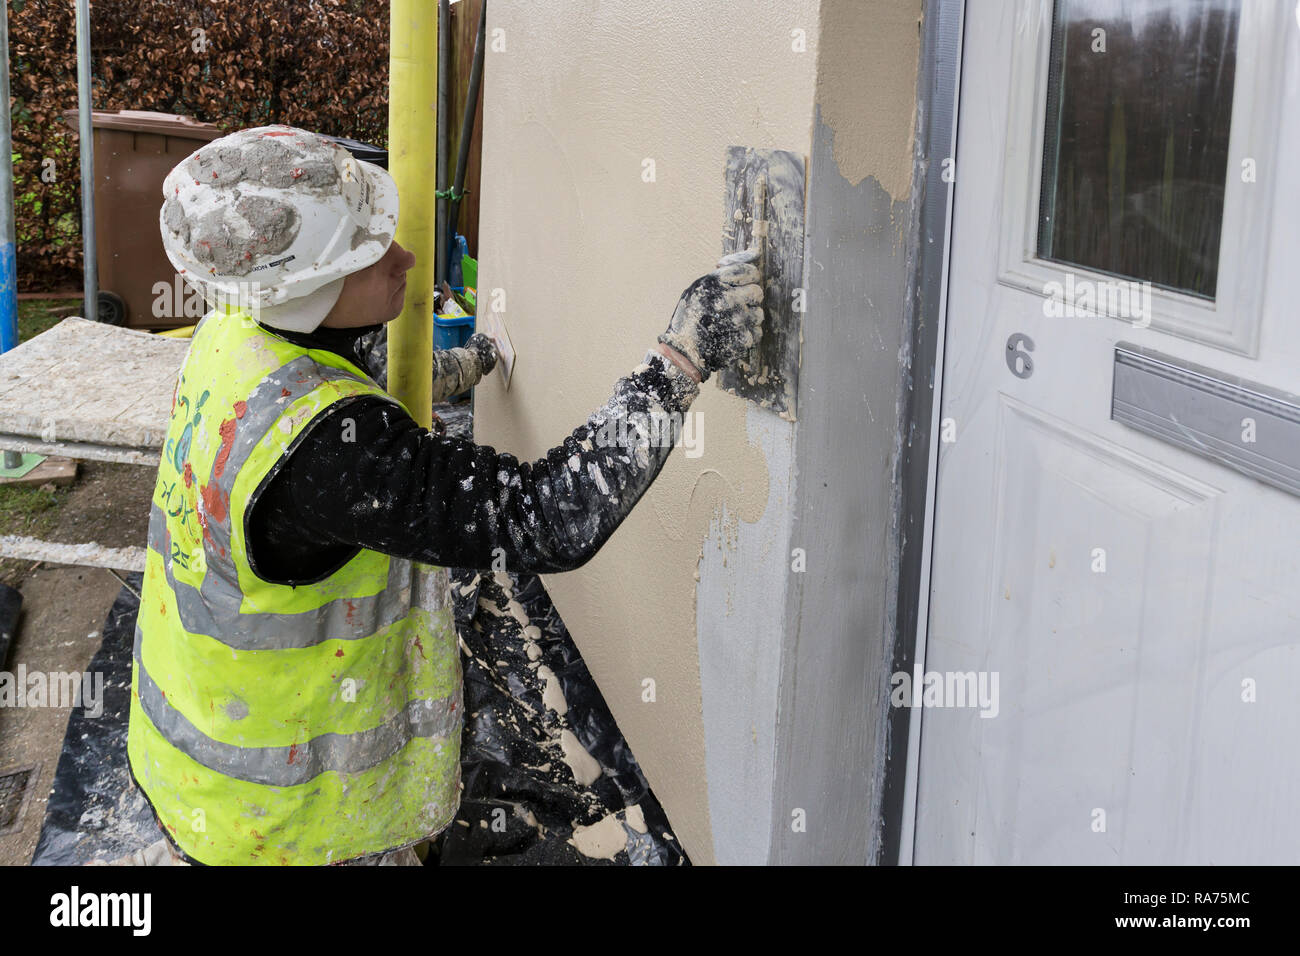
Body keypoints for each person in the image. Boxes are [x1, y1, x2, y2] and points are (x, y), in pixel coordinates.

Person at [125, 125, 763, 865]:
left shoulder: (234, 329)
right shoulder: (330, 453)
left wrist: (469, 363)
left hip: (195, 750)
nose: (405, 259)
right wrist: (679, 360)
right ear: (308, 292)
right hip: (283, 822)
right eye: (370, 256)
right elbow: (545, 518)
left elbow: (357, 376)